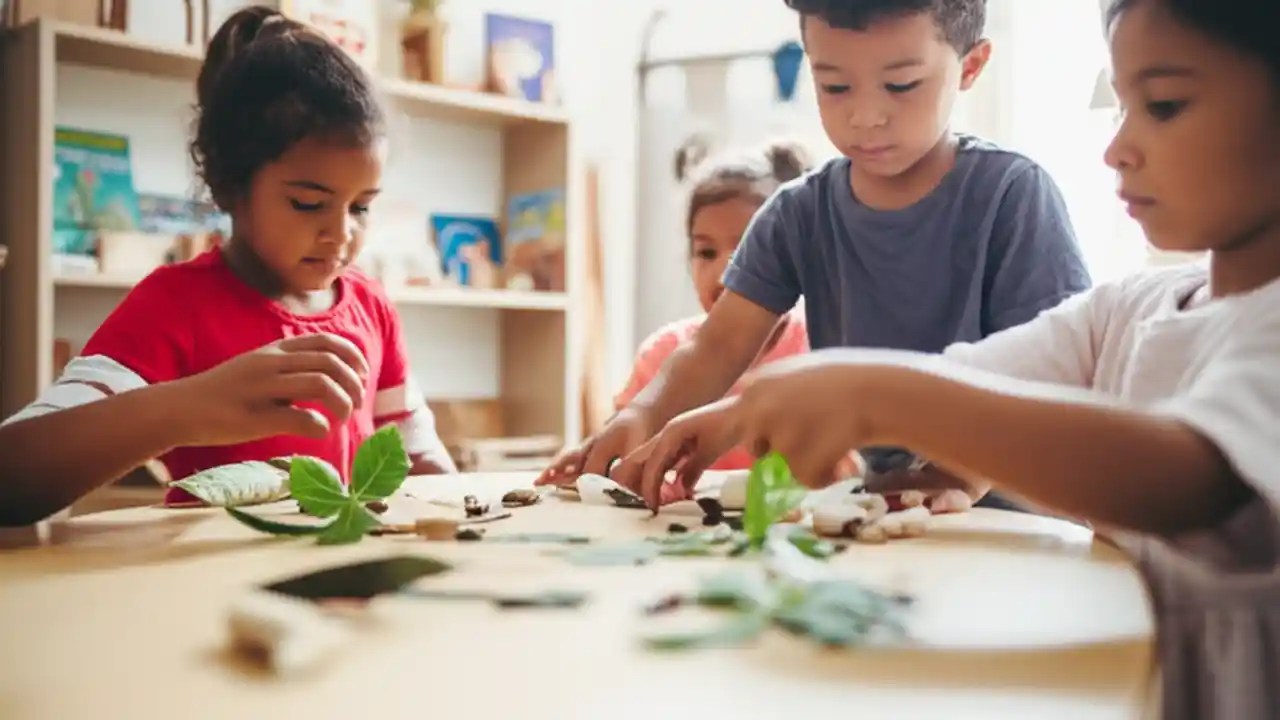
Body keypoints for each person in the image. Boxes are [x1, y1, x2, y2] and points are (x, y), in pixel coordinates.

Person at [641, 0, 1280, 715]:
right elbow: (968, 375)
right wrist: (746, 410)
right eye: (1121, 106)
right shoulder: (1127, 310)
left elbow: (1191, 481)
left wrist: (875, 395)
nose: (1116, 149)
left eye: (1163, 105)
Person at [538, 0, 1091, 500]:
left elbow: (1048, 375)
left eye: (901, 86)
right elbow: (717, 347)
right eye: (834, 86)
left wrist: (958, 475)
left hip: (1015, 516)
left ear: (970, 67)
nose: (865, 115)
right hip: (886, 514)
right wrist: (645, 413)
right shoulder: (799, 212)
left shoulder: (1012, 196)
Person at [0, 6, 454, 526]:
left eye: (361, 206)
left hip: (339, 595)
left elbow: (421, 457)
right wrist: (187, 408)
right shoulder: (176, 305)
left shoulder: (371, 308)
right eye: (308, 203)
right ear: (228, 186)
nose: (342, 232)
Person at [613, 138, 813, 472]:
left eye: (749, 250)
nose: (724, 274)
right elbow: (624, 450)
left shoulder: (818, 346)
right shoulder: (661, 354)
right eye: (706, 252)